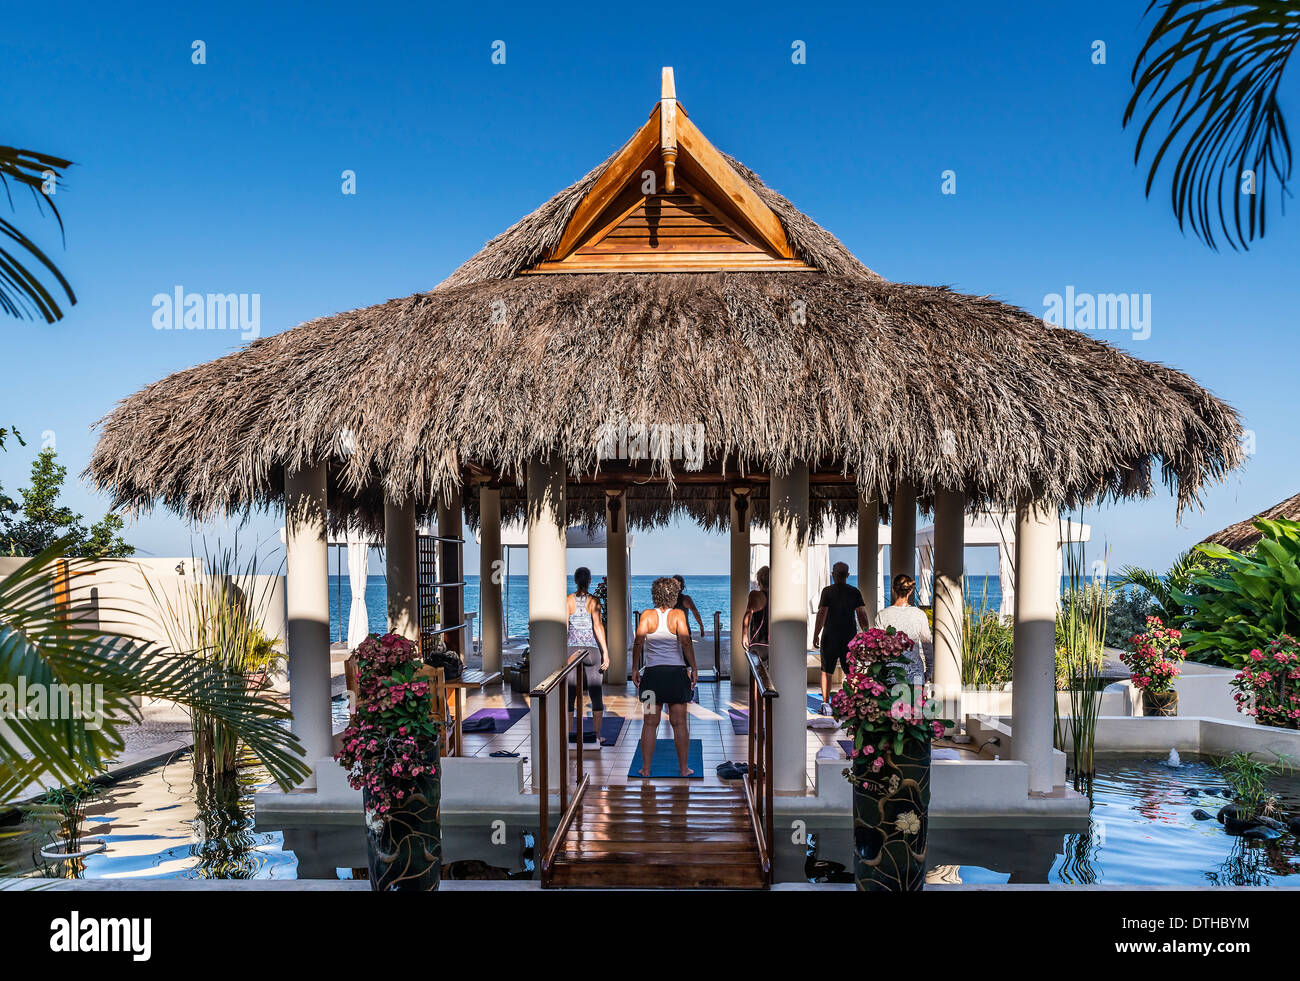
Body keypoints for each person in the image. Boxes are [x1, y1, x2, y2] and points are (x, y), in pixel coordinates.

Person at [632, 576, 698, 777]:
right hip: (675, 676)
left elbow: (638, 643)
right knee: (679, 723)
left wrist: (635, 668)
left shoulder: (646, 615)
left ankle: (646, 769)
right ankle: (684, 769)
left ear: (655, 594)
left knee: (650, 722)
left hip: (652, 677)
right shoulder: (678, 615)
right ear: (673, 595)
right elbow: (686, 643)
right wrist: (694, 668)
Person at [812, 561, 869, 712]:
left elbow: (822, 613)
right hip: (849, 636)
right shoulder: (854, 591)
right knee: (851, 671)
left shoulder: (827, 591)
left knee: (826, 670)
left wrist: (816, 634)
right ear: (848, 575)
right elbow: (862, 613)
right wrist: (866, 633)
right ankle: (853, 701)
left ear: (833, 574)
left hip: (830, 635)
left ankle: (825, 703)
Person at [567, 567, 611, 746]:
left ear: (575, 580)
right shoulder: (594, 601)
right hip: (591, 650)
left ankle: (568, 736)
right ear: (590, 581)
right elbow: (598, 626)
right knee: (596, 694)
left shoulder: (568, 600)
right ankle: (597, 736)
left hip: (571, 649)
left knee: (570, 695)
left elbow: (564, 627)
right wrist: (605, 652)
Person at [876, 573, 932, 684]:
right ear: (910, 591)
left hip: (891, 673)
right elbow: (927, 644)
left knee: (892, 702)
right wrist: (930, 670)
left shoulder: (882, 615)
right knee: (916, 702)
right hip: (915, 673)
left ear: (893, 590)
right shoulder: (919, 615)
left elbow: (878, 648)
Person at [740, 565, 770, 660]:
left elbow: (748, 614)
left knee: (755, 673)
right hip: (776, 645)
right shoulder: (779, 597)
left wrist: (744, 635)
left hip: (758, 644)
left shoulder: (755, 595)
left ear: (759, 580)